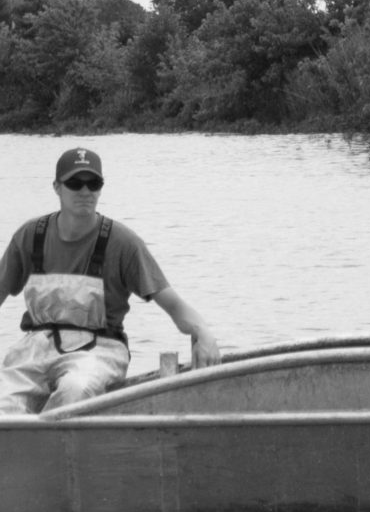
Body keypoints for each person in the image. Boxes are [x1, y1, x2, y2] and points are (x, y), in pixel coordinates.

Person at [0, 147, 221, 413]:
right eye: (75, 183)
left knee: (76, 389)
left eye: (93, 184)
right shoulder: (30, 235)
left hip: (98, 352)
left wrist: (204, 332)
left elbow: (174, 306)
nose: (85, 191)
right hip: (34, 349)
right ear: (57, 187)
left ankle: (52, 447)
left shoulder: (123, 243)